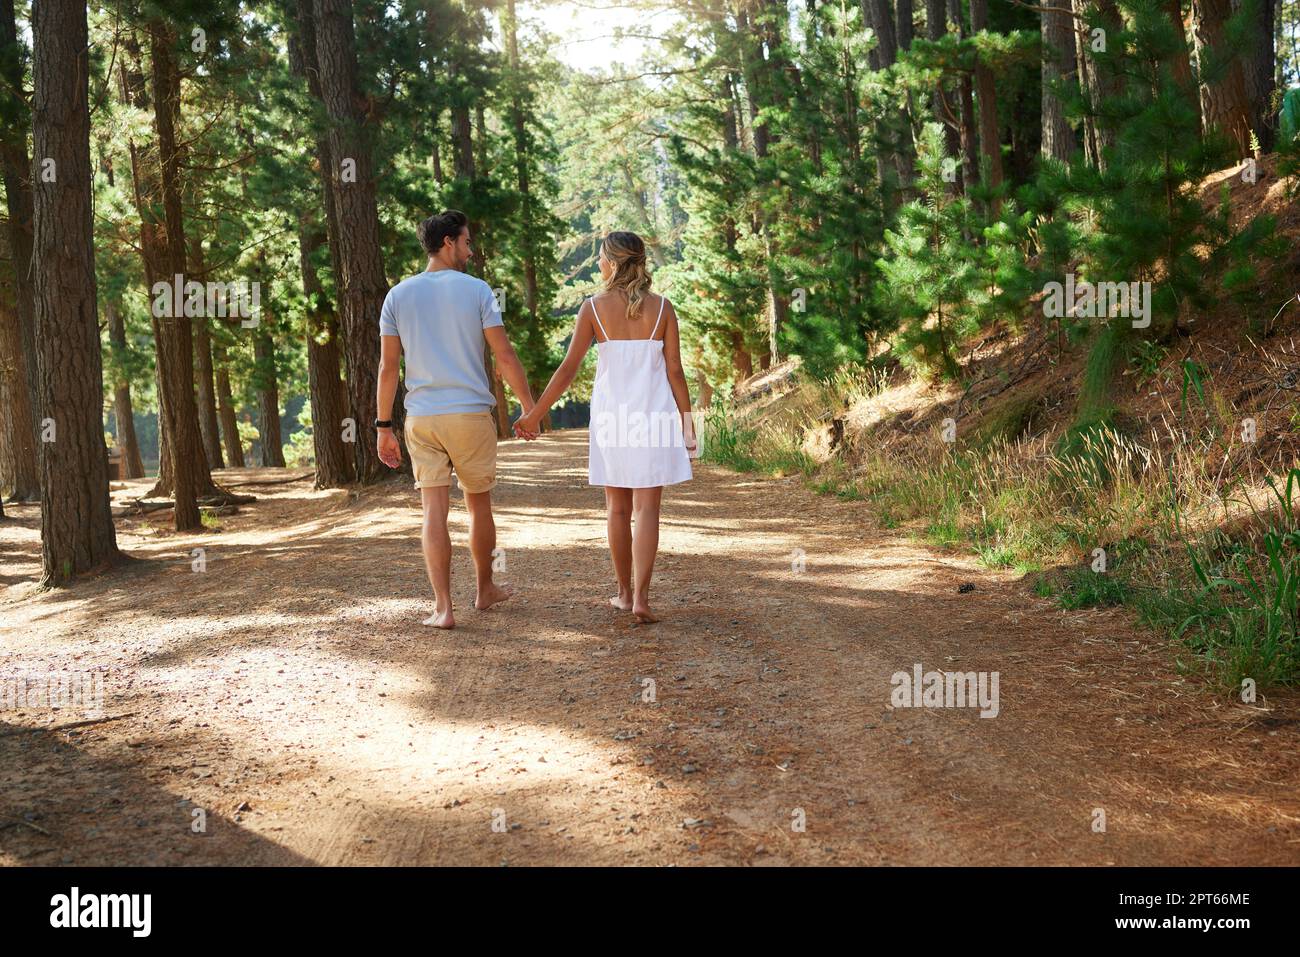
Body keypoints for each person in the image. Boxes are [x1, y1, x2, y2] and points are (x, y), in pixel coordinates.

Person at [514, 231, 695, 623]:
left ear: (612, 262)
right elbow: (676, 371)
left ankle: (625, 593)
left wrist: (534, 414)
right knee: (648, 509)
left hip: (613, 417)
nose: (598, 264)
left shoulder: (593, 308)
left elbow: (568, 370)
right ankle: (644, 598)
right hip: (655, 415)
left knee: (617, 508)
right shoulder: (663, 309)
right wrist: (689, 422)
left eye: (600, 258)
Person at [375, 210, 535, 629]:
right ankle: (484, 590)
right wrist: (527, 407)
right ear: (448, 242)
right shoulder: (477, 290)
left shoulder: (398, 296)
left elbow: (388, 368)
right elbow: (504, 354)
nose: (470, 249)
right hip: (468, 415)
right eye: (466, 241)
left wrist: (382, 426)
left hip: (422, 417)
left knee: (433, 510)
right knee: (478, 505)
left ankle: (443, 608)